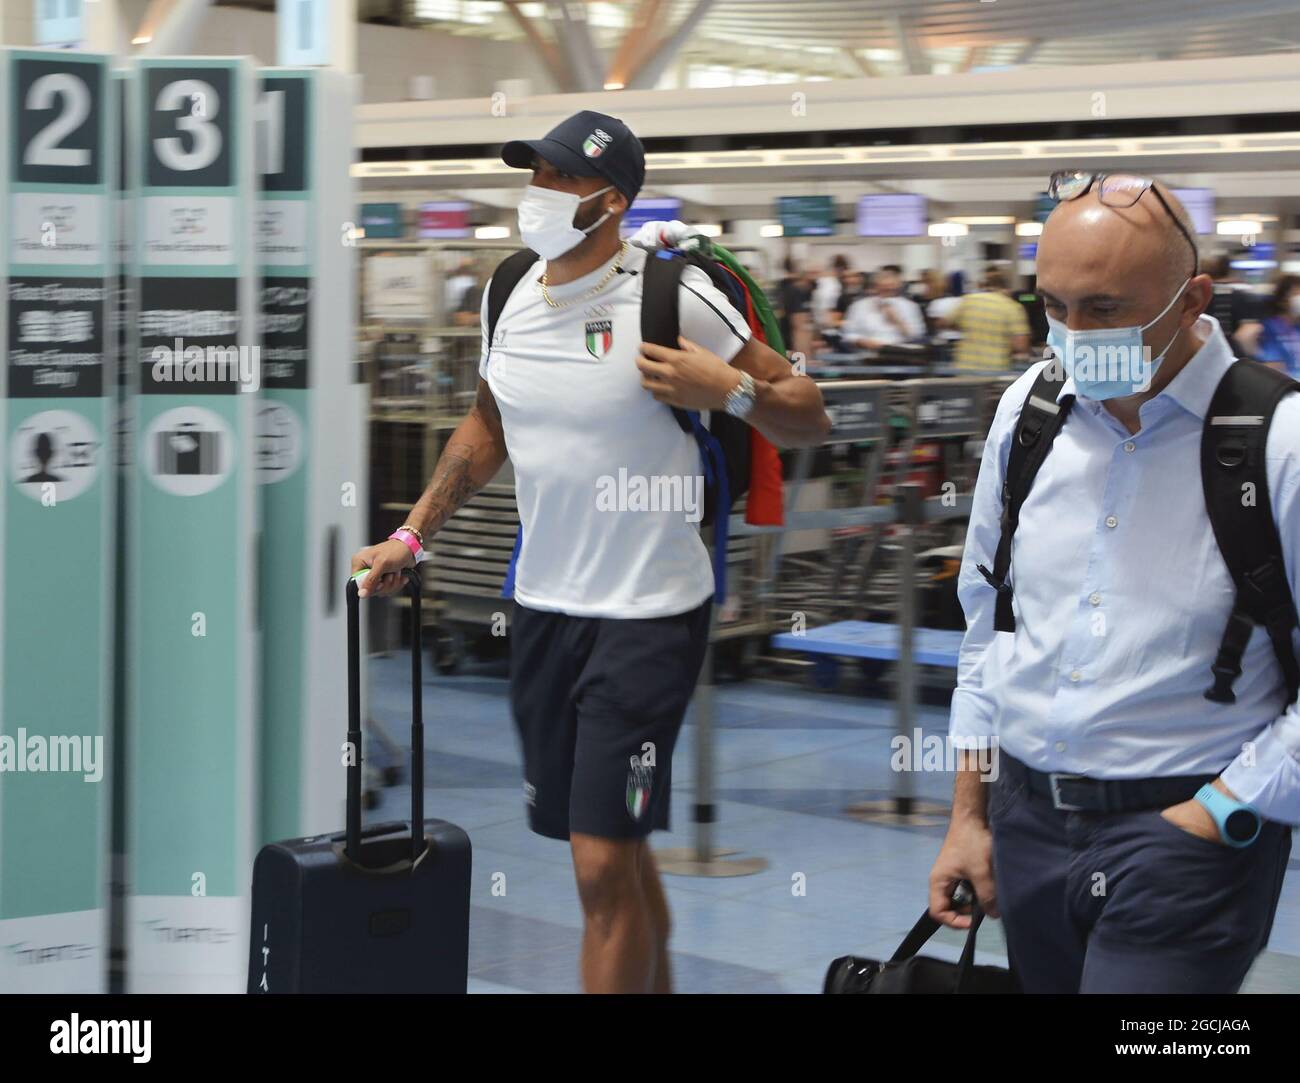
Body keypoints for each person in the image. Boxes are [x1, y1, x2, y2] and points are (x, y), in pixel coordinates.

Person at [351, 110, 829, 995]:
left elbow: (805, 411)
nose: (537, 191)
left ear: (610, 202)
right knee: (605, 845)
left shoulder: (673, 293)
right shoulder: (506, 290)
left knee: (600, 866)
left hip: (650, 617)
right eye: (533, 171)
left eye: (559, 178)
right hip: (543, 607)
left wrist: (724, 387)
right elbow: (488, 423)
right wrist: (414, 533)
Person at [929, 172, 1299, 993]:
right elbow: (989, 622)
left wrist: (1223, 812)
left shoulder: (1279, 441)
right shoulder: (1029, 412)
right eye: (1051, 306)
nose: (1069, 333)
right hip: (1027, 819)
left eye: (1102, 309)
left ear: (1193, 296)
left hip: (1183, 835)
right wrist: (968, 813)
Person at [950, 267, 1030, 370]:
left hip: (964, 369)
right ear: (1006, 288)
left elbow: (945, 323)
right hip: (994, 373)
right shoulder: (1012, 307)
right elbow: (1021, 345)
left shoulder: (968, 300)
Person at [840, 265, 926, 349]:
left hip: (900, 351)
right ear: (875, 287)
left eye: (891, 288)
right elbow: (848, 334)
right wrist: (861, 341)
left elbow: (918, 335)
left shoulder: (910, 306)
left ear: (898, 287)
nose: (887, 291)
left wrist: (898, 322)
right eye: (883, 288)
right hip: (866, 350)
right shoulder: (858, 306)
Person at [1247, 274, 1300, 376]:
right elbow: (1274, 365)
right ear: (1282, 300)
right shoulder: (1271, 326)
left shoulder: (1297, 327)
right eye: (1296, 294)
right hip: (1287, 384)